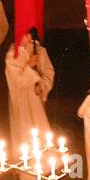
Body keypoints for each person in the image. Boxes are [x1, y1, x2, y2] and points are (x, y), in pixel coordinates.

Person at [4, 30, 55, 169]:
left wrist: (42, 85)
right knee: (24, 133)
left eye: (29, 35)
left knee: (39, 130)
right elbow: (17, 82)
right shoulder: (11, 55)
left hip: (36, 102)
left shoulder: (40, 51)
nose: (27, 38)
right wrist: (29, 66)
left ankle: (44, 166)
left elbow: (49, 72)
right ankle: (27, 170)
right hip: (21, 102)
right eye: (24, 34)